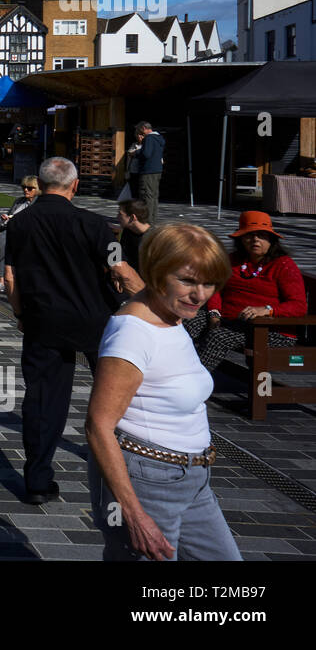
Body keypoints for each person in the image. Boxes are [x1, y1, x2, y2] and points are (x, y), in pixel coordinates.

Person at [86, 224, 241, 561]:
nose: (199, 295)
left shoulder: (171, 315)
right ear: (158, 274)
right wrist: (134, 514)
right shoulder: (133, 333)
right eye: (187, 281)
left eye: (208, 283)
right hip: (146, 481)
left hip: (194, 480)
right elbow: (98, 425)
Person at [5, 157, 140, 504]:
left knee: (43, 402)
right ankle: (128, 466)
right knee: (119, 395)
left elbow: (10, 278)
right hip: (96, 320)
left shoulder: (20, 224)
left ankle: (37, 480)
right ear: (74, 185)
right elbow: (120, 270)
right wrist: (156, 304)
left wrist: (19, 312)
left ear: (42, 183)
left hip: (43, 320)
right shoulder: (96, 226)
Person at [193, 211, 306, 373]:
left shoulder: (284, 265)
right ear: (240, 239)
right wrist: (214, 313)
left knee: (218, 338)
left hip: (269, 330)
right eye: (249, 235)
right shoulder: (232, 260)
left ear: (271, 240)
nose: (255, 240)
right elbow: (216, 288)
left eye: (261, 236)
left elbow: (299, 306)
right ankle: (166, 373)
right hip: (230, 322)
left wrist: (267, 310)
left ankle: (192, 383)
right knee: (189, 321)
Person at [126, 121, 164, 225]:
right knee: (154, 196)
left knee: (147, 195)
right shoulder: (159, 138)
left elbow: (146, 154)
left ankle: (148, 220)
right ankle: (153, 218)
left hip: (148, 171)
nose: (140, 134)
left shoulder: (149, 138)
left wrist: (136, 153)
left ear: (144, 128)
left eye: (140, 131)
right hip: (157, 170)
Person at [114, 199, 153, 283]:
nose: (117, 217)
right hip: (127, 277)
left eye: (120, 214)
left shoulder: (153, 239)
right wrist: (116, 275)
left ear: (132, 218)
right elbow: (118, 253)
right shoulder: (127, 231)